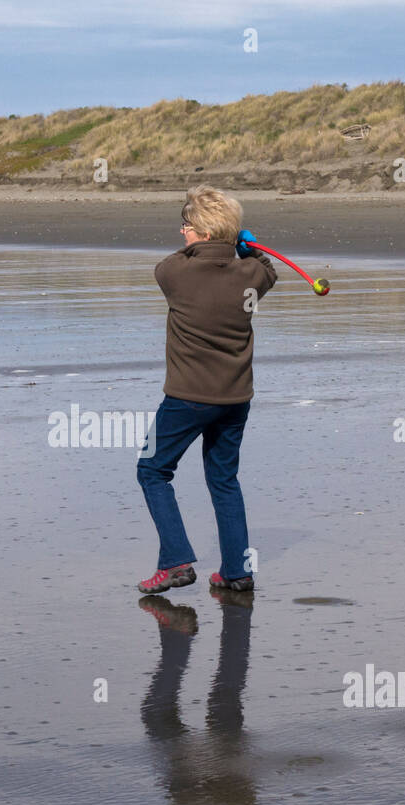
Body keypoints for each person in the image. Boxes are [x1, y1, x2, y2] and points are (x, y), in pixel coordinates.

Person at [136, 185, 276, 594]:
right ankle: (236, 571)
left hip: (186, 399)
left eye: (187, 226)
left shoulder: (175, 273)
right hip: (235, 399)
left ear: (203, 231)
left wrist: (218, 242)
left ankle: (176, 561)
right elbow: (268, 268)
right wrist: (242, 245)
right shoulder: (254, 276)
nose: (182, 233)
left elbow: (173, 262)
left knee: (152, 470)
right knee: (224, 480)